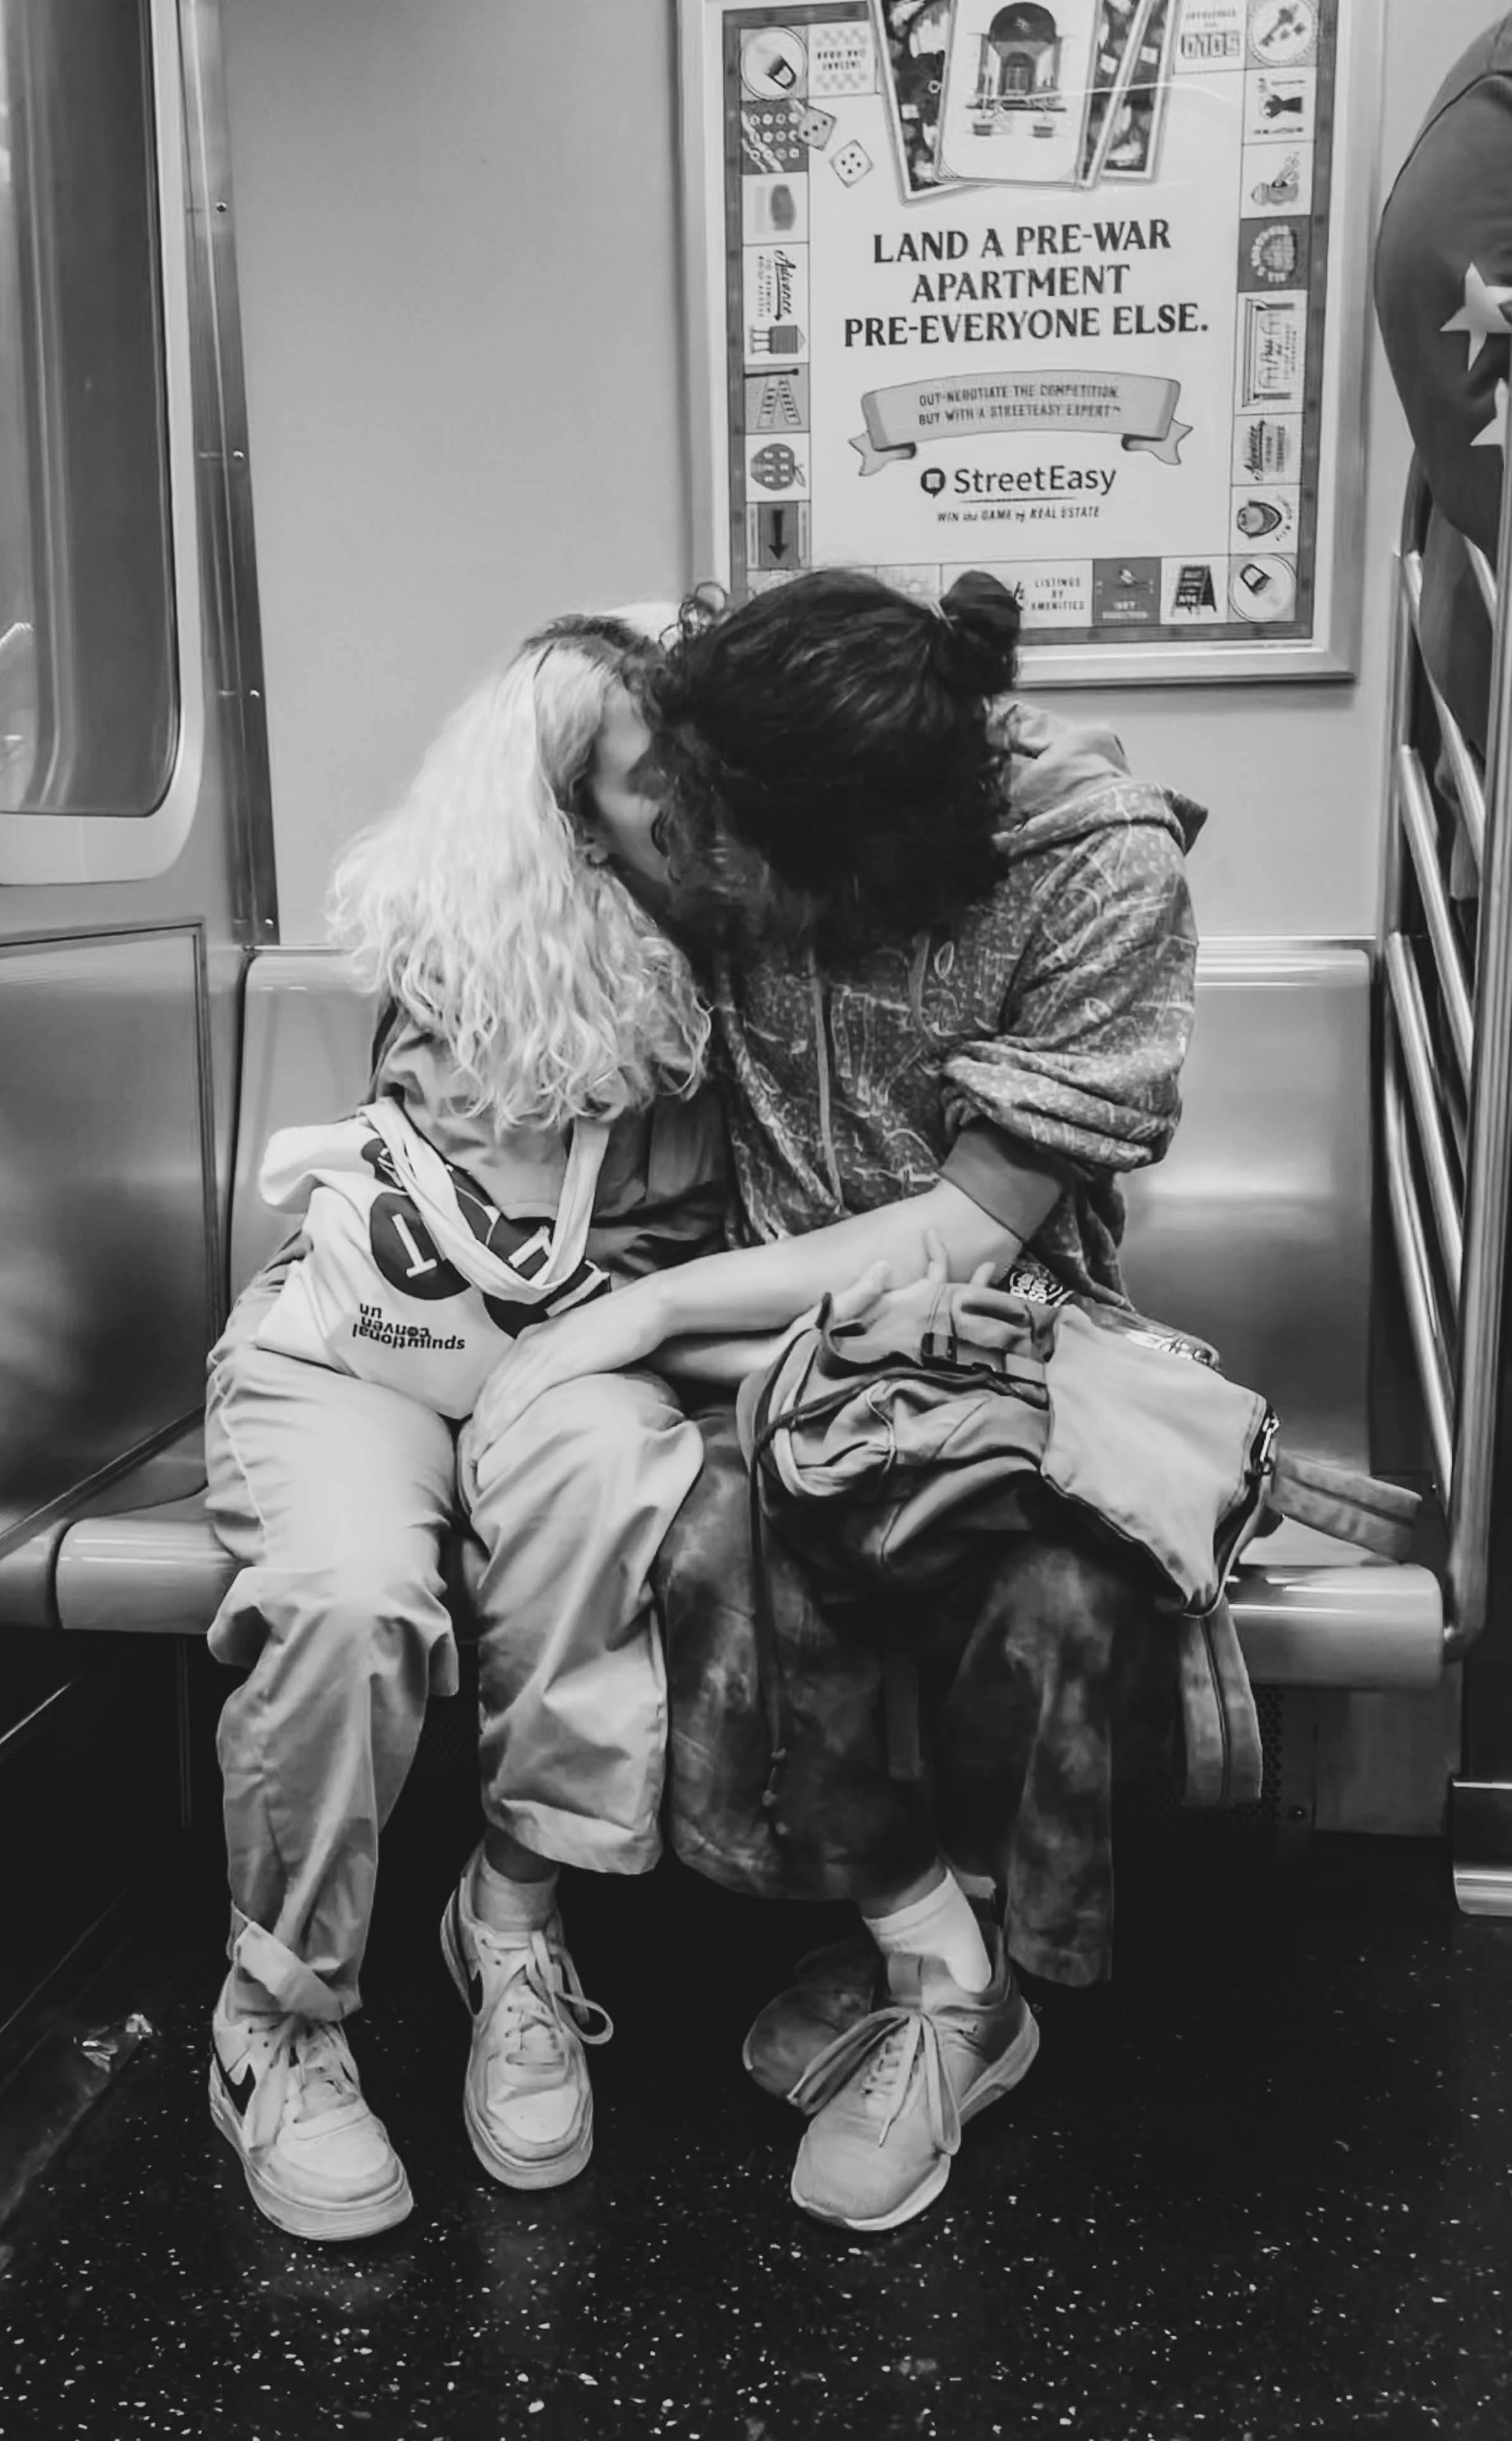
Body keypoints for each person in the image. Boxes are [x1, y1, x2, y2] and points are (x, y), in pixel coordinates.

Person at [470, 567, 1202, 2235]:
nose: (705, 873)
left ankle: (978, 1991)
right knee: (712, 1533)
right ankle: (916, 1946)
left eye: (740, 849)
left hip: (1000, 1342)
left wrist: (629, 1317)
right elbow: (597, 700)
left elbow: (970, 1229)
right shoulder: (757, 750)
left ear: (865, 855)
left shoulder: (1098, 865)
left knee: (1051, 1592)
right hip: (768, 1348)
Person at [203, 606, 727, 2239]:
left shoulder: (753, 944)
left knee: (595, 1502)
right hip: (365, 1350)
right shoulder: (477, 944)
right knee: (352, 1599)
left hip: (580, 1361)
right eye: (659, 791)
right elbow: (481, 1249)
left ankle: (511, 1920)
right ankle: (276, 2027)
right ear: (562, 819)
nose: (699, 821)